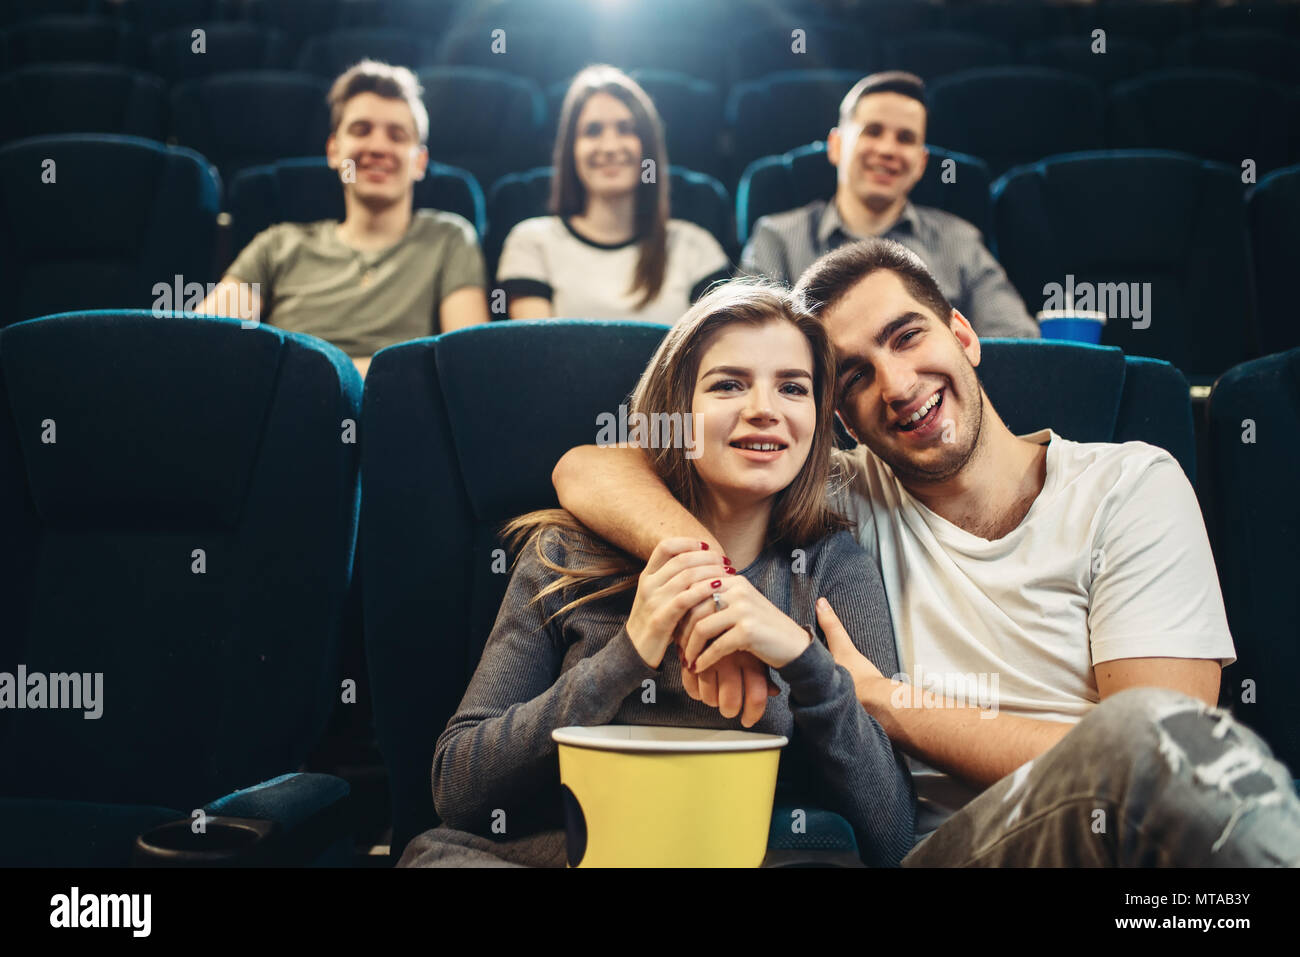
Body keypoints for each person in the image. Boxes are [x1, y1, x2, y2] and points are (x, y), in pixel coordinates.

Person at [552, 239, 1300, 866]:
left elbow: (1166, 750)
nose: (899, 384)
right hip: (958, 849)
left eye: (907, 336)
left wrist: (885, 701)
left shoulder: (1130, 483)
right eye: (854, 376)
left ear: (963, 335)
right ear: (835, 416)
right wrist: (716, 585)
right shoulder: (839, 496)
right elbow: (588, 466)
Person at [398, 281, 915, 867]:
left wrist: (804, 660)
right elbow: (458, 788)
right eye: (728, 385)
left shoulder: (830, 562)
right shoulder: (564, 550)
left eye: (792, 387)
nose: (764, 409)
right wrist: (626, 657)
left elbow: (892, 835)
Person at [198, 60, 489, 377]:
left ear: (420, 162)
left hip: (399, 416)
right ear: (334, 150)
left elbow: (466, 368)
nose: (378, 147)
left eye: (397, 135)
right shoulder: (277, 244)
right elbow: (205, 347)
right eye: (361, 130)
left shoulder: (449, 238)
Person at [741, 71, 1038, 340]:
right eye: (872, 131)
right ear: (836, 146)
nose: (887, 150)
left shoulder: (960, 241)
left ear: (921, 163)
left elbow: (1015, 343)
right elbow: (746, 342)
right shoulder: (777, 237)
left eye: (905, 138)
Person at [497, 65, 731, 324]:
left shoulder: (697, 248)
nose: (610, 147)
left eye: (626, 129)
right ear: (571, 150)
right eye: (593, 131)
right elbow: (538, 355)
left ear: (648, 146)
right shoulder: (531, 242)